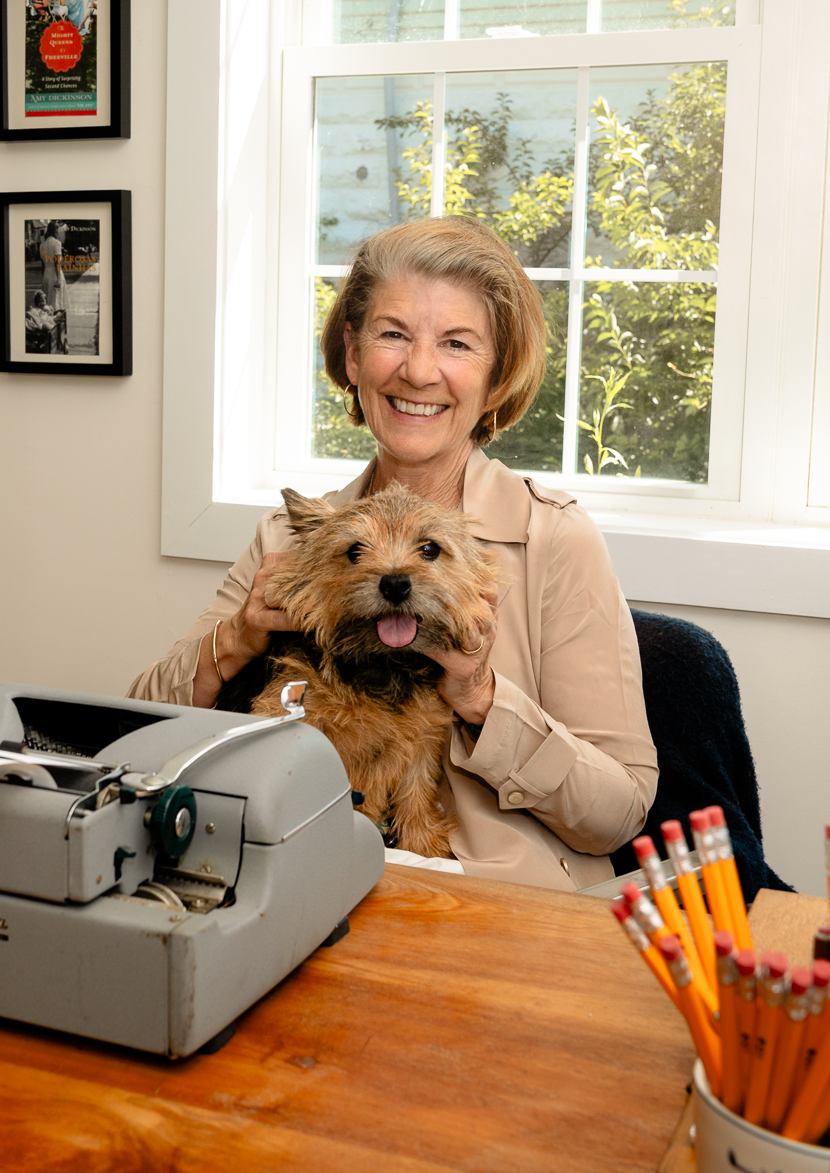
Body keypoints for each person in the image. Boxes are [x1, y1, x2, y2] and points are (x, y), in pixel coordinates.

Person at [129, 216, 657, 892]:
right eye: (393, 334)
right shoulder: (291, 538)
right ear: (353, 356)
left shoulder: (553, 539)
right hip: (303, 879)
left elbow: (618, 814)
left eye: (457, 343)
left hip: (491, 901)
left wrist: (483, 698)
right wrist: (234, 640)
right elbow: (139, 741)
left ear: (496, 376)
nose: (419, 370)